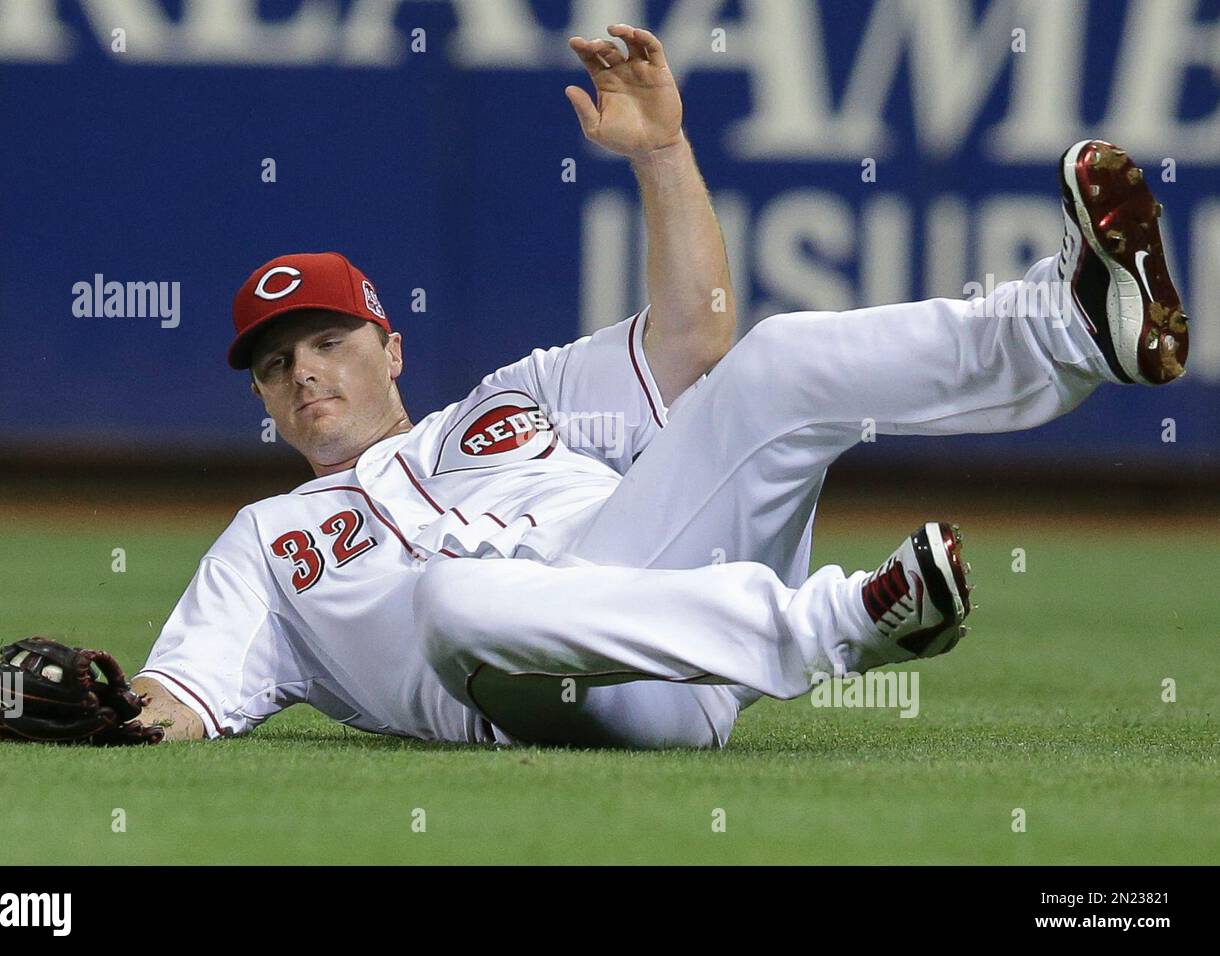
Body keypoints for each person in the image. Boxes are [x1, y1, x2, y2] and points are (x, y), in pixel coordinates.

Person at [129, 24, 1188, 749]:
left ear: (388, 346)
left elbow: (695, 332)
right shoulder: (266, 543)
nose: (304, 369)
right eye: (275, 363)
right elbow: (178, 697)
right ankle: (846, 622)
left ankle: (1072, 325)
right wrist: (80, 702)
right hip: (549, 688)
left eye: (325, 340)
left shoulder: (516, 397)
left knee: (769, 360)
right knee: (455, 596)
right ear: (263, 402)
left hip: (661, 587)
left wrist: (664, 153)